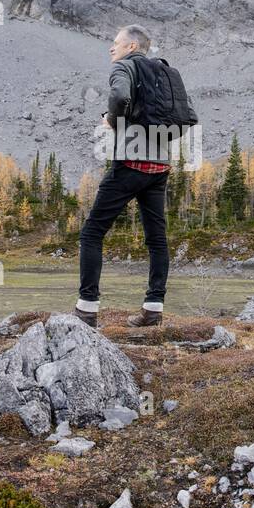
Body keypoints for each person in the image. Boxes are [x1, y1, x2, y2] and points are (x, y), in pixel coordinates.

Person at [74, 24, 196, 328]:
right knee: (157, 239)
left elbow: (118, 96)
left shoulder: (124, 67)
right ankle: (153, 309)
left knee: (92, 232)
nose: (111, 48)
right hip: (160, 167)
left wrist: (112, 120)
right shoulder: (165, 72)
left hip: (129, 161)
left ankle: (87, 310)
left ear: (131, 47)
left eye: (116, 43)